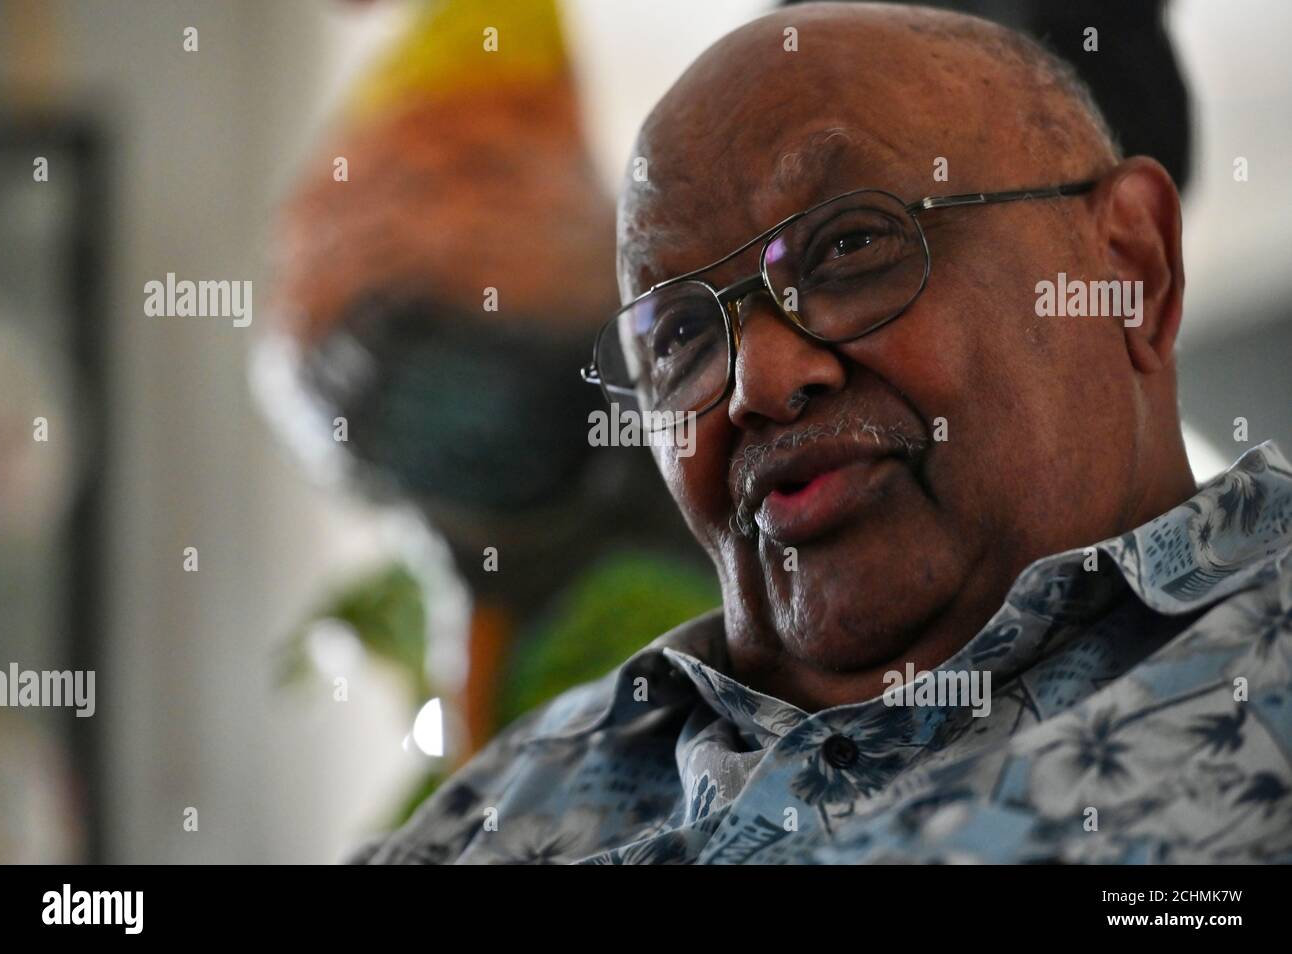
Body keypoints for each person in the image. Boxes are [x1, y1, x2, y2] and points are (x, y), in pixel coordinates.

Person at [354, 1, 1292, 864]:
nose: (756, 382)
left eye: (850, 246)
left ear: (1129, 267)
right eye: (680, 334)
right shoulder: (494, 809)